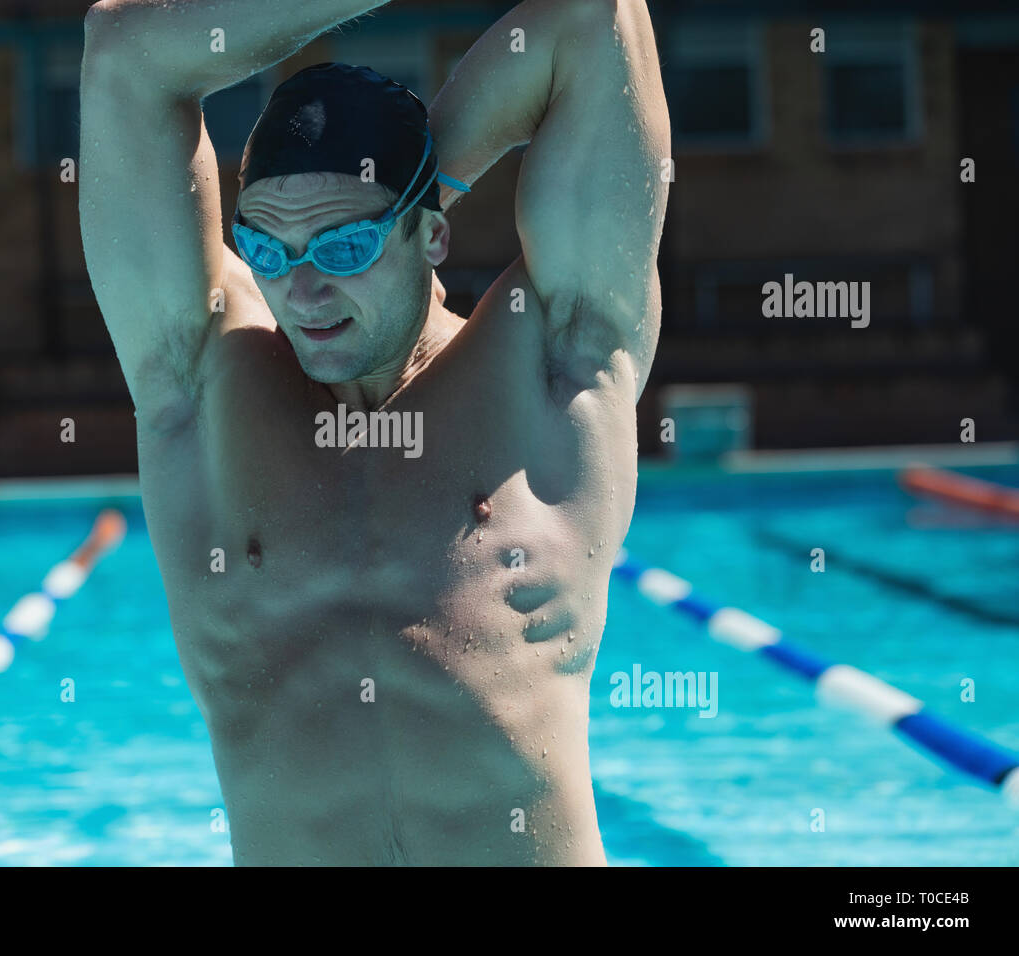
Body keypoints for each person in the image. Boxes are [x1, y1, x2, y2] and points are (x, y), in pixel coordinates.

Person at [79, 0, 669, 864]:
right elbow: (122, 52)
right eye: (269, 253)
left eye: (346, 247)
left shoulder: (555, 359)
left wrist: (421, 169)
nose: (303, 293)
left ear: (432, 233)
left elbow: (594, 14)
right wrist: (388, 192)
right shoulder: (199, 380)